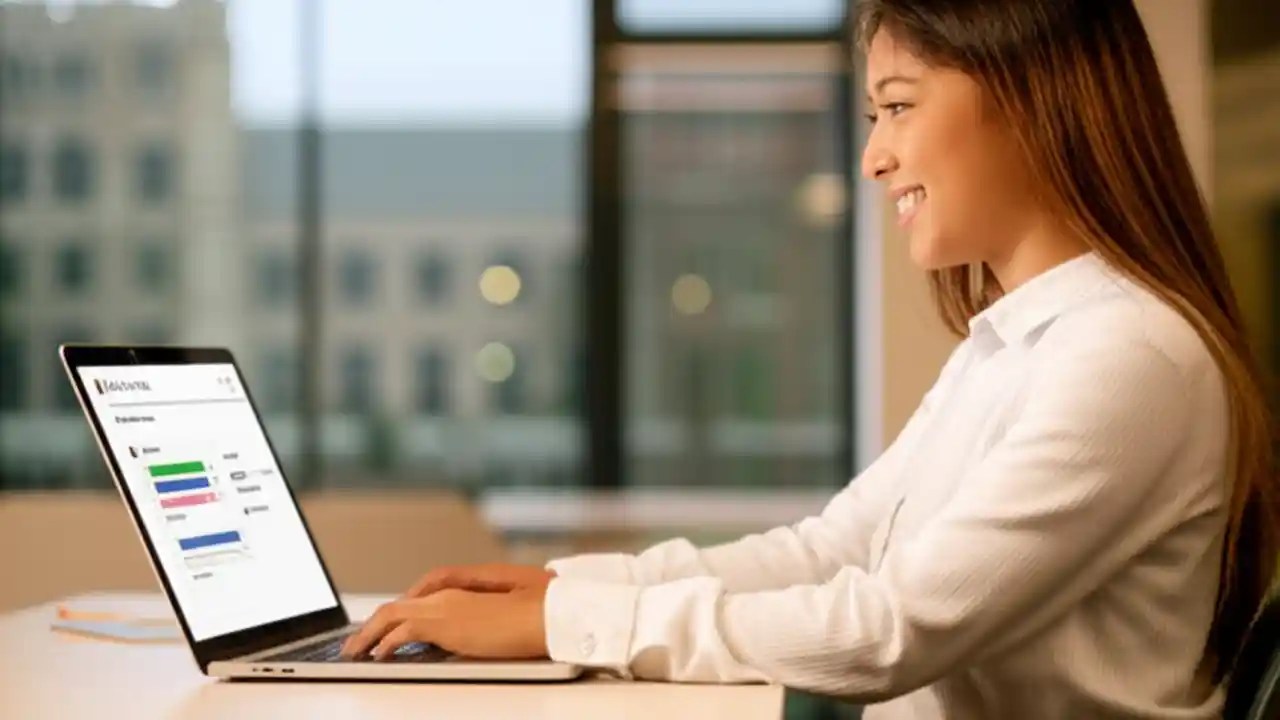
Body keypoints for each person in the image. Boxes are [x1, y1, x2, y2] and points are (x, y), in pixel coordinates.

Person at [341, 0, 1280, 716]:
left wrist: (566, 627)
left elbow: (890, 631)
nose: (874, 158)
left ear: (1036, 96)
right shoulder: (1016, 345)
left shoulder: (1128, 357)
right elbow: (832, 550)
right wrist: (578, 589)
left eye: (898, 108)